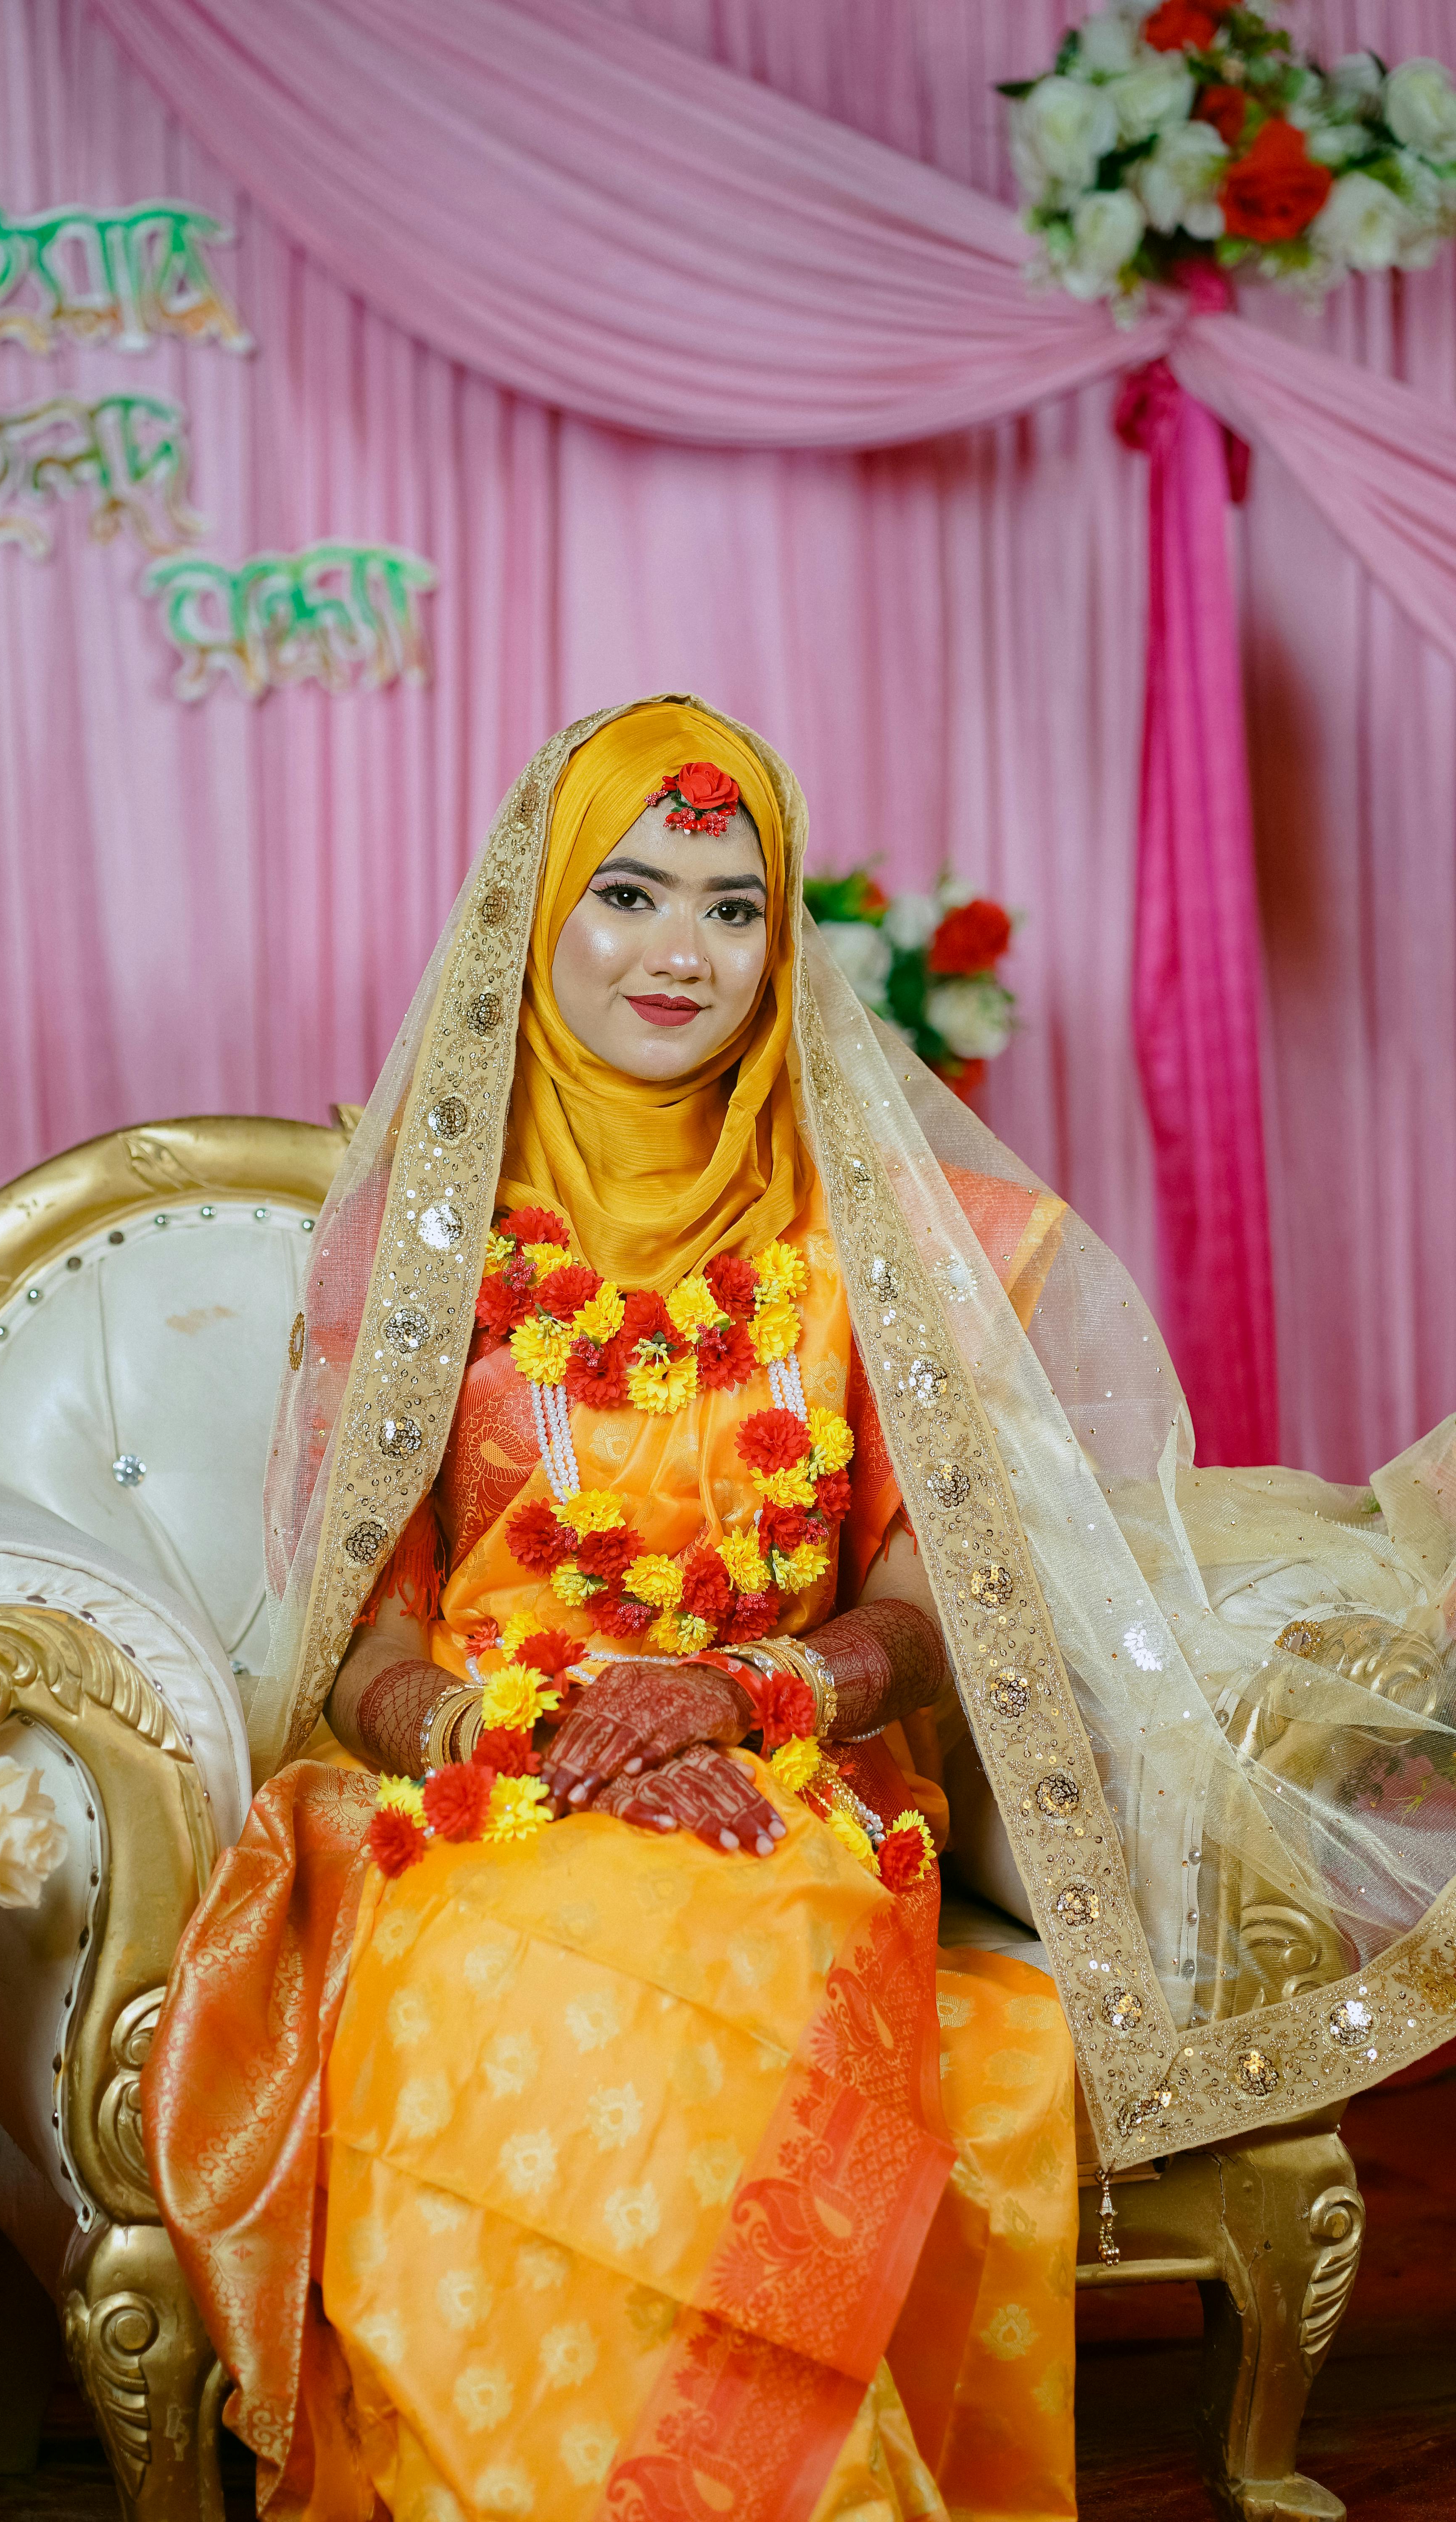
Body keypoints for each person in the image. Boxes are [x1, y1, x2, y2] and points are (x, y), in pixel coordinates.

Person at [145, 696, 1456, 2521]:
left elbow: (940, 1597)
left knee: (748, 1921)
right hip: (476, 1791)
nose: (679, 950)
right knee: (506, 1963)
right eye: (627, 892)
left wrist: (748, 1695)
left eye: (731, 904)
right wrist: (513, 1732)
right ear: (534, 918)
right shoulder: (416, 1240)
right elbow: (363, 1633)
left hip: (791, 1780)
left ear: (784, 945)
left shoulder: (894, 1239)